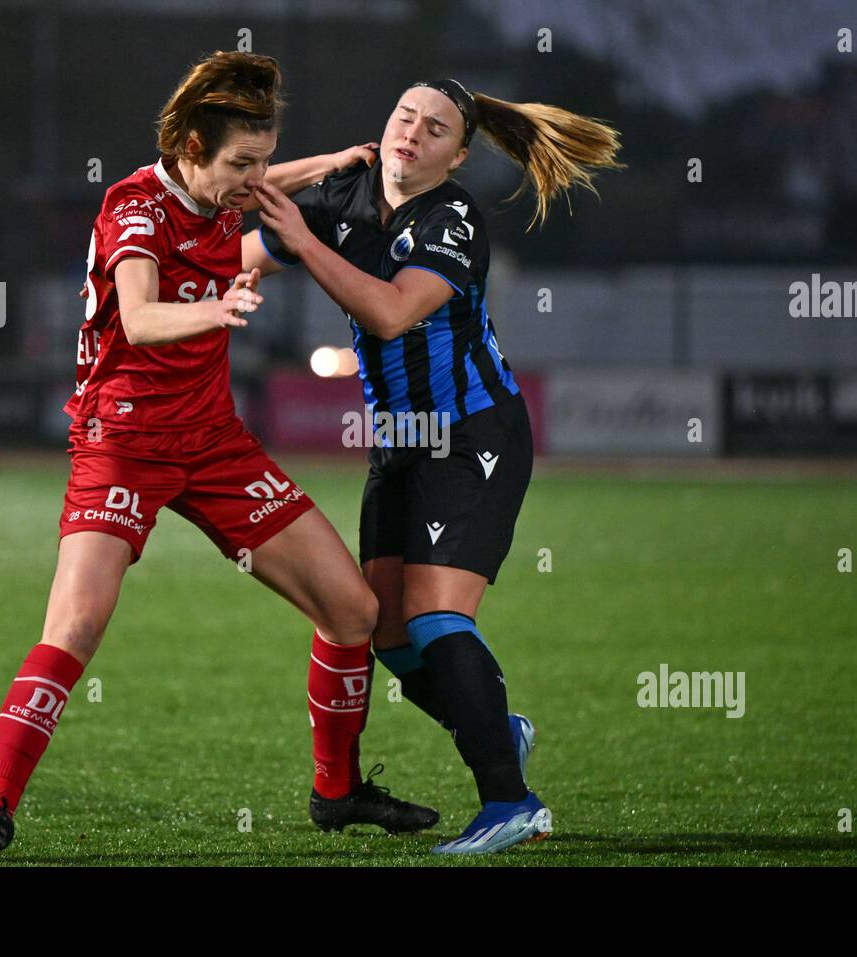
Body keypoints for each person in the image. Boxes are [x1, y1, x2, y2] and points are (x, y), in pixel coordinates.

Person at [0, 51, 435, 862]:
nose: (256, 183)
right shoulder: (133, 210)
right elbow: (139, 319)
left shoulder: (221, 184)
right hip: (123, 442)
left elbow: (265, 171)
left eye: (262, 161)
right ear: (187, 151)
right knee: (73, 626)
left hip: (213, 441)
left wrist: (337, 161)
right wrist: (215, 308)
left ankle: (336, 791)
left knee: (351, 610)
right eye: (240, 165)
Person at [249, 78, 621, 853]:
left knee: (435, 614)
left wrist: (306, 239)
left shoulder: (453, 219)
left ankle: (512, 802)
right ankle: (491, 723)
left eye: (435, 129)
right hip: (400, 444)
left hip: (475, 434)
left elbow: (389, 311)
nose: (412, 133)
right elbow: (238, 254)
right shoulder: (343, 192)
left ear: (455, 156)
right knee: (384, 631)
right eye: (404, 117)